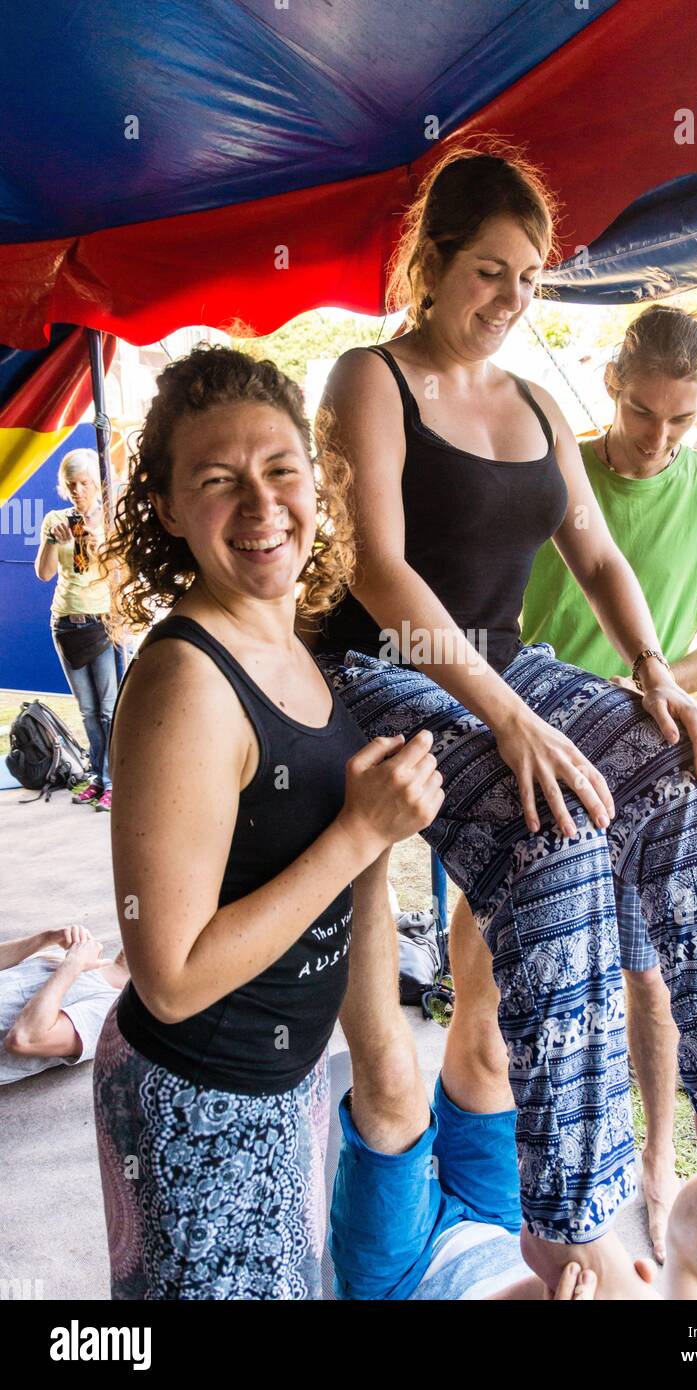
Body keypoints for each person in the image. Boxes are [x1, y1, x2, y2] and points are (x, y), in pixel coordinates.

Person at [313, 146, 697, 1295]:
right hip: (383, 669)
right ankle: (563, 1208)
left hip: (510, 665)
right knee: (556, 830)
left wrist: (656, 672)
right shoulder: (370, 381)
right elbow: (375, 567)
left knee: (684, 765)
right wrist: (508, 717)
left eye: (526, 279)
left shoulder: (532, 405)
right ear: (432, 258)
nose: (507, 300)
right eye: (487, 272)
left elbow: (596, 554)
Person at [92, 345, 444, 1300]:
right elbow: (168, 979)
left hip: (279, 1083)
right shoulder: (187, 682)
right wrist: (359, 836)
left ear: (317, 480)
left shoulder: (288, 641)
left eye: (280, 469)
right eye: (218, 480)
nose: (260, 505)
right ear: (167, 510)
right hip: (199, 1099)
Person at [328, 845, 697, 1300]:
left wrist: (538, 1292)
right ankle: (489, 837)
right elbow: (691, 1262)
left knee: (390, 1081)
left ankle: (363, 847)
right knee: (491, 1048)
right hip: (509, 1223)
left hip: (402, 1279)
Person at [520, 306, 697, 1258]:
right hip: (534, 753)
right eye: (641, 412)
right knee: (513, 967)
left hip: (640, 755)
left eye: (680, 422)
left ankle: (658, 1169)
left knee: (648, 981)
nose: (657, 439)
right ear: (613, 379)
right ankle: (530, 1175)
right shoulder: (555, 463)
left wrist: (643, 685)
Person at [34, 448, 117, 811]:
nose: (78, 491)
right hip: (66, 620)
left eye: (84, 483)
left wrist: (105, 549)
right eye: (72, 485)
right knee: (86, 710)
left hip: (102, 621)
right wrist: (52, 540)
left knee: (108, 710)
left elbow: (123, 578)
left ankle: (114, 780)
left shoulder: (112, 521)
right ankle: (98, 776)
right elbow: (44, 573)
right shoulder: (56, 519)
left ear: (98, 485)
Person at [1, 926, 127, 1084]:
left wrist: (73, 964)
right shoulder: (76, 958)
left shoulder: (110, 1012)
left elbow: (25, 1039)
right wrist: (46, 938)